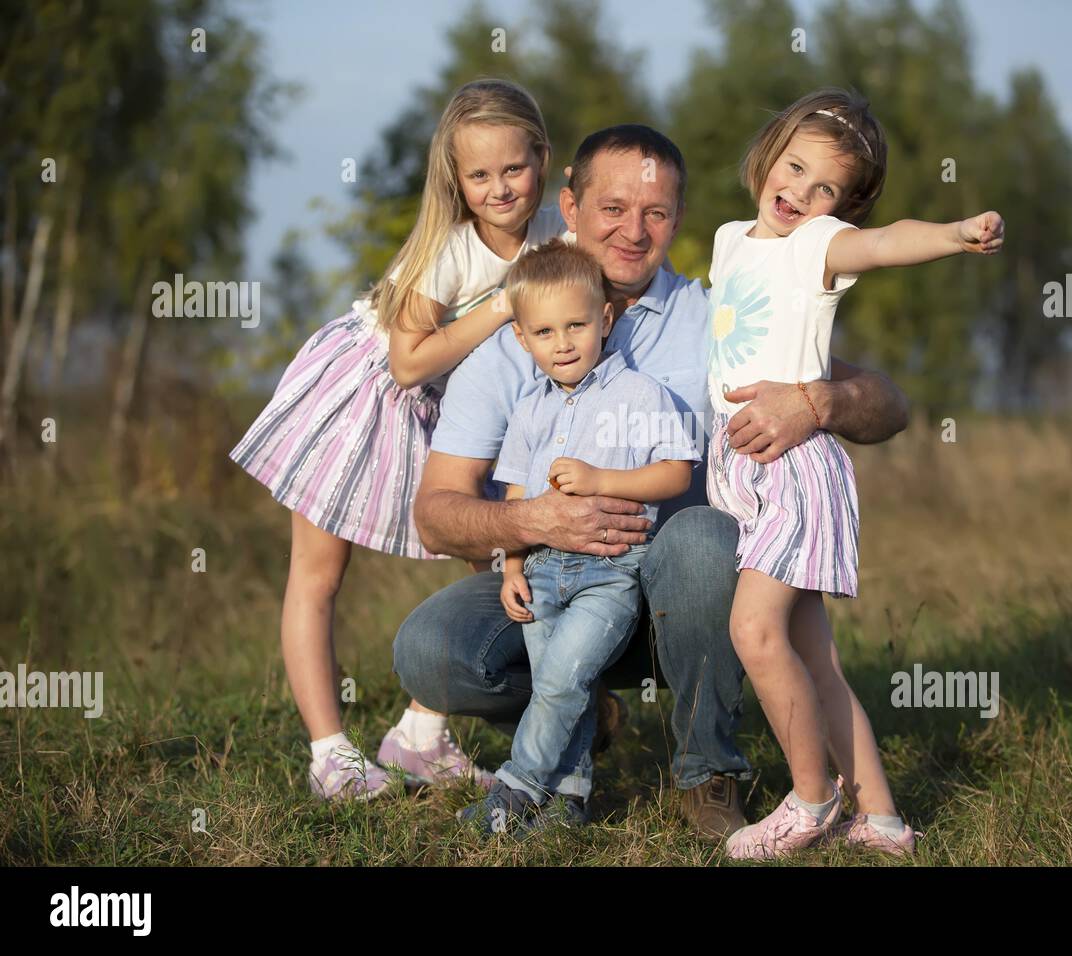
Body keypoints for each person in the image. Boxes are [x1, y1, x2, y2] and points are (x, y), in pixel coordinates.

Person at [392, 124, 912, 839]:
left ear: (678, 221)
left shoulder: (716, 316)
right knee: (431, 652)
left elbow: (889, 405)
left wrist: (820, 402)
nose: (633, 231)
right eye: (612, 209)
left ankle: (707, 772)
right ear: (569, 207)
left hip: (684, 601)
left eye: (656, 214)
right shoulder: (515, 330)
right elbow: (435, 514)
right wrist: (533, 523)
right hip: (550, 582)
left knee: (702, 537)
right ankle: (587, 712)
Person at [230, 78, 567, 800]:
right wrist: (509, 303)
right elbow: (408, 360)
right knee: (319, 574)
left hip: (446, 413)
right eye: (479, 176)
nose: (500, 188)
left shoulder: (555, 235)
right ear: (457, 181)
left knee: (500, 557)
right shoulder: (451, 249)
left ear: (542, 157)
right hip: (363, 395)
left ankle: (418, 734)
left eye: (514, 168)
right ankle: (330, 754)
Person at [708, 87, 1004, 859]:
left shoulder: (817, 247)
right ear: (769, 151)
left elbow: (884, 244)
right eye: (794, 166)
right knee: (815, 658)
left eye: (824, 189)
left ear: (842, 210)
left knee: (753, 628)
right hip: (746, 465)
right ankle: (881, 818)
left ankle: (811, 800)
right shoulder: (729, 239)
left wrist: (952, 233)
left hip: (795, 469)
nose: (798, 192)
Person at [456, 240, 698, 834]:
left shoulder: (640, 396)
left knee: (564, 679)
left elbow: (676, 471)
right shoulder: (529, 409)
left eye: (576, 325)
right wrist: (511, 567)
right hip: (538, 573)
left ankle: (515, 788)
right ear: (522, 338)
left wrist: (601, 479)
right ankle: (568, 802)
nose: (562, 342)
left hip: (609, 571)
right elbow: (514, 497)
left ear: (605, 320)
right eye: (544, 331)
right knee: (561, 685)